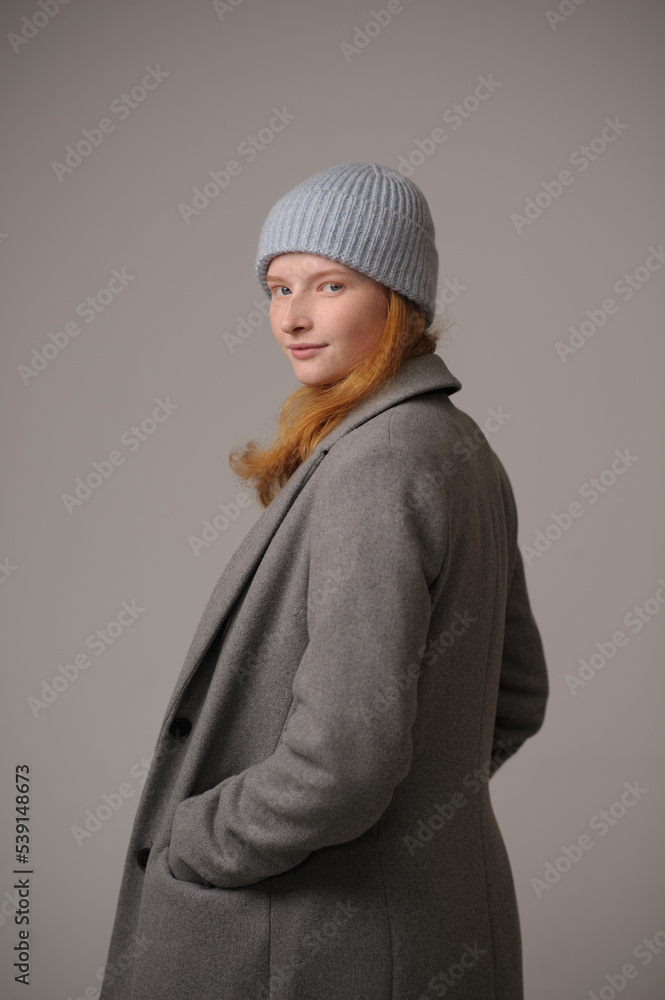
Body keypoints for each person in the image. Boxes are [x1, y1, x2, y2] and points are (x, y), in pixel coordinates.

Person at [99, 162, 549, 1000]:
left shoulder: (375, 465)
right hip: (429, 932)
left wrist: (195, 839)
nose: (293, 318)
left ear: (398, 300)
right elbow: (517, 694)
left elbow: (344, 762)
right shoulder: (458, 446)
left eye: (330, 284)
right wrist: (420, 808)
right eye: (277, 288)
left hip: (315, 949)